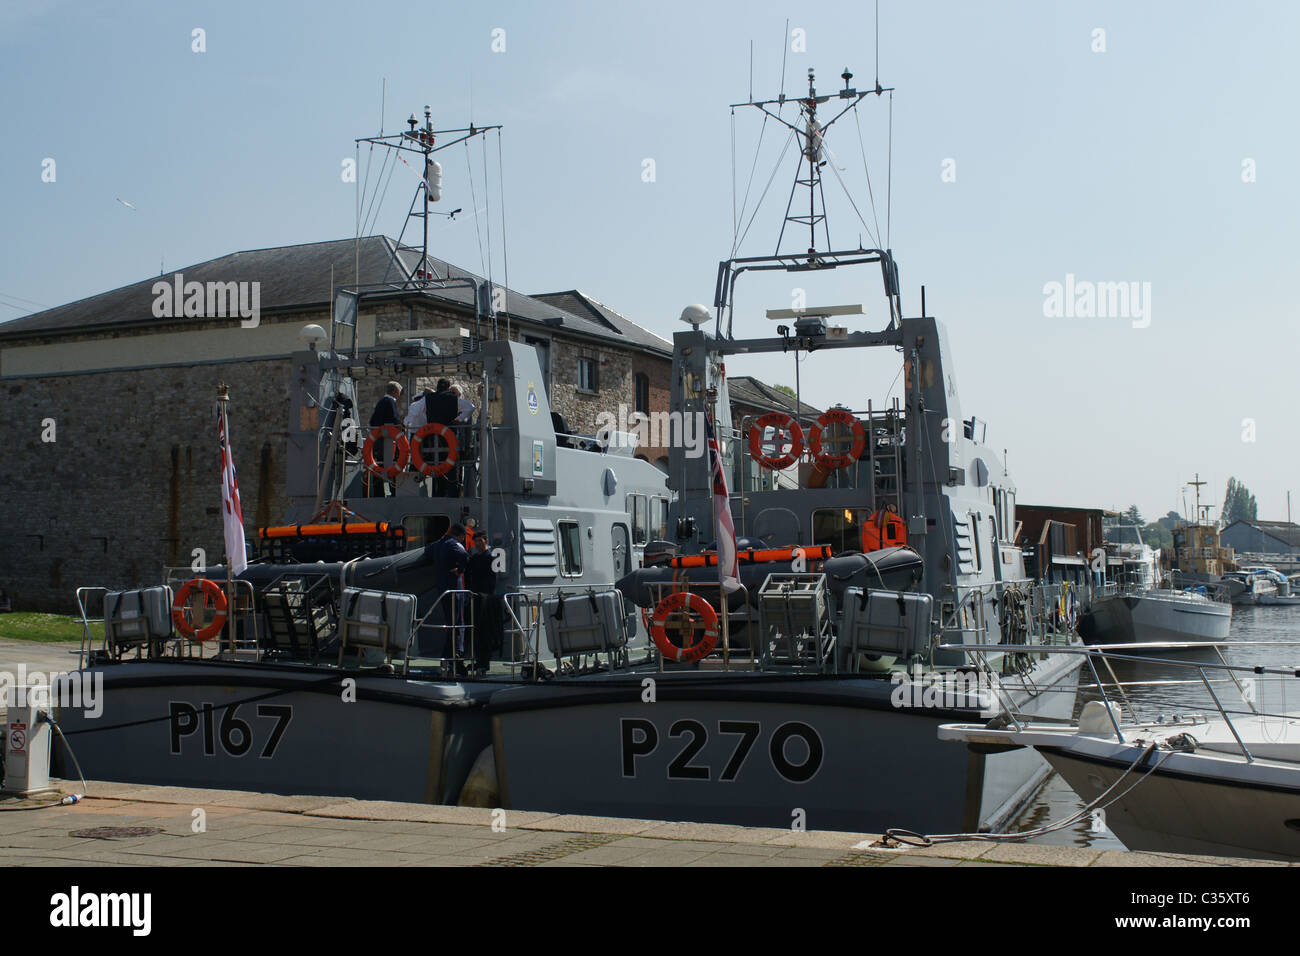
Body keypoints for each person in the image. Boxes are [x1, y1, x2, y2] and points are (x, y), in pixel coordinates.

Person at [427, 523, 469, 673]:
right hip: (454, 591)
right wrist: (461, 570)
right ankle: (455, 656)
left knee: (451, 624)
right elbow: (464, 554)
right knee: (457, 625)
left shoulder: (437, 545)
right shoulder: (454, 545)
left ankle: (448, 657)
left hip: (442, 590)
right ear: (461, 535)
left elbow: (427, 552)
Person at [465, 536, 502, 674]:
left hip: (486, 598)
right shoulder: (474, 559)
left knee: (486, 632)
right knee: (477, 631)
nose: (478, 544)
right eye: (476, 541)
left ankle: (484, 662)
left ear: (486, 541)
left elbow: (495, 577)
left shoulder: (491, 557)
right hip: (476, 597)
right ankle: (478, 660)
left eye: (480, 541)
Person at [367, 381, 402, 497]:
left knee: (379, 465)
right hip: (385, 440)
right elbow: (394, 418)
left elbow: (373, 420)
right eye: (399, 392)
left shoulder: (382, 402)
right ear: (394, 392)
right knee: (391, 464)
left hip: (379, 439)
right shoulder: (389, 401)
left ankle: (379, 493)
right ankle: (394, 491)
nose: (399, 395)